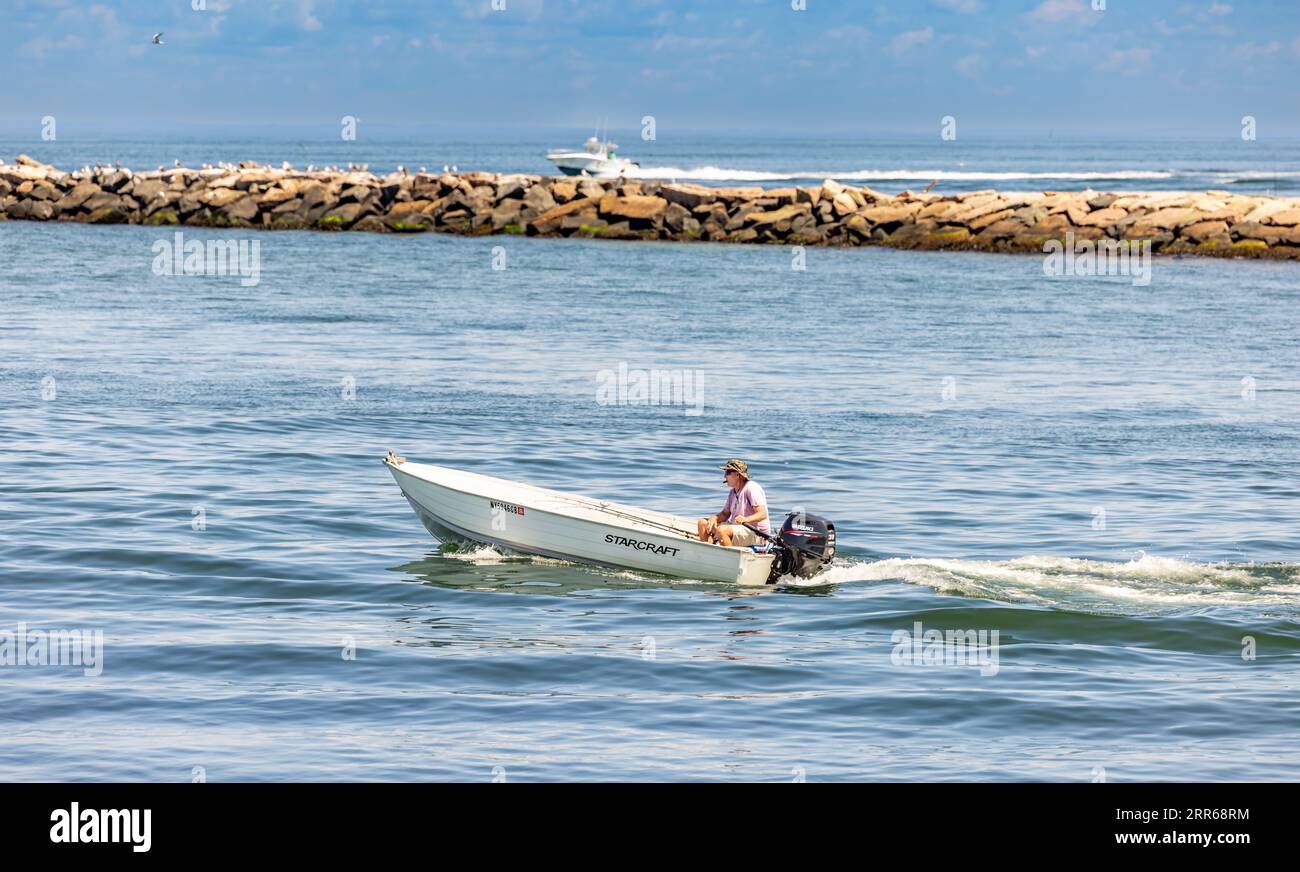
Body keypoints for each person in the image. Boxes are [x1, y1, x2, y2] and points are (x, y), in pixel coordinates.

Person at [697, 459, 771, 547]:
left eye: (727, 472)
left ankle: (729, 557)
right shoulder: (733, 492)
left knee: (722, 530)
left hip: (757, 533)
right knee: (703, 523)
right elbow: (725, 514)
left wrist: (746, 519)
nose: (725, 476)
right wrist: (714, 518)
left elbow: (762, 514)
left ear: (737, 475)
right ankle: (709, 553)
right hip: (738, 528)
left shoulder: (751, 488)